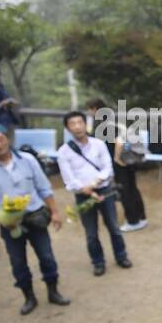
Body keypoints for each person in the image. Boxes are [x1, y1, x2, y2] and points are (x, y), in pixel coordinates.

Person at [0, 126, 70, 314]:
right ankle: (29, 296)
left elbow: (44, 188)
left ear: (8, 139)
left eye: (1, 139)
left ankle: (53, 290)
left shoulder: (28, 160)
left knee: (47, 256)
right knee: (18, 262)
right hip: (9, 224)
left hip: (35, 217)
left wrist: (55, 212)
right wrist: (1, 218)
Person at [57, 111, 132, 276]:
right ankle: (98, 262)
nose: (77, 127)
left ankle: (121, 256)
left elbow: (108, 168)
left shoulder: (98, 144)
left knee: (113, 226)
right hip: (83, 195)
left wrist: (94, 183)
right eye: (72, 124)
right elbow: (69, 179)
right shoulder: (64, 152)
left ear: (86, 124)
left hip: (104, 190)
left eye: (80, 122)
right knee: (91, 232)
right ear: (67, 128)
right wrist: (85, 189)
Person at [86, 97, 148, 231]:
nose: (90, 113)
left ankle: (133, 221)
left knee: (124, 189)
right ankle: (141, 217)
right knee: (132, 187)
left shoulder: (105, 122)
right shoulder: (115, 117)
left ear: (95, 109)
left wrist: (116, 158)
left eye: (90, 110)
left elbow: (119, 142)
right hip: (129, 159)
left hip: (120, 161)